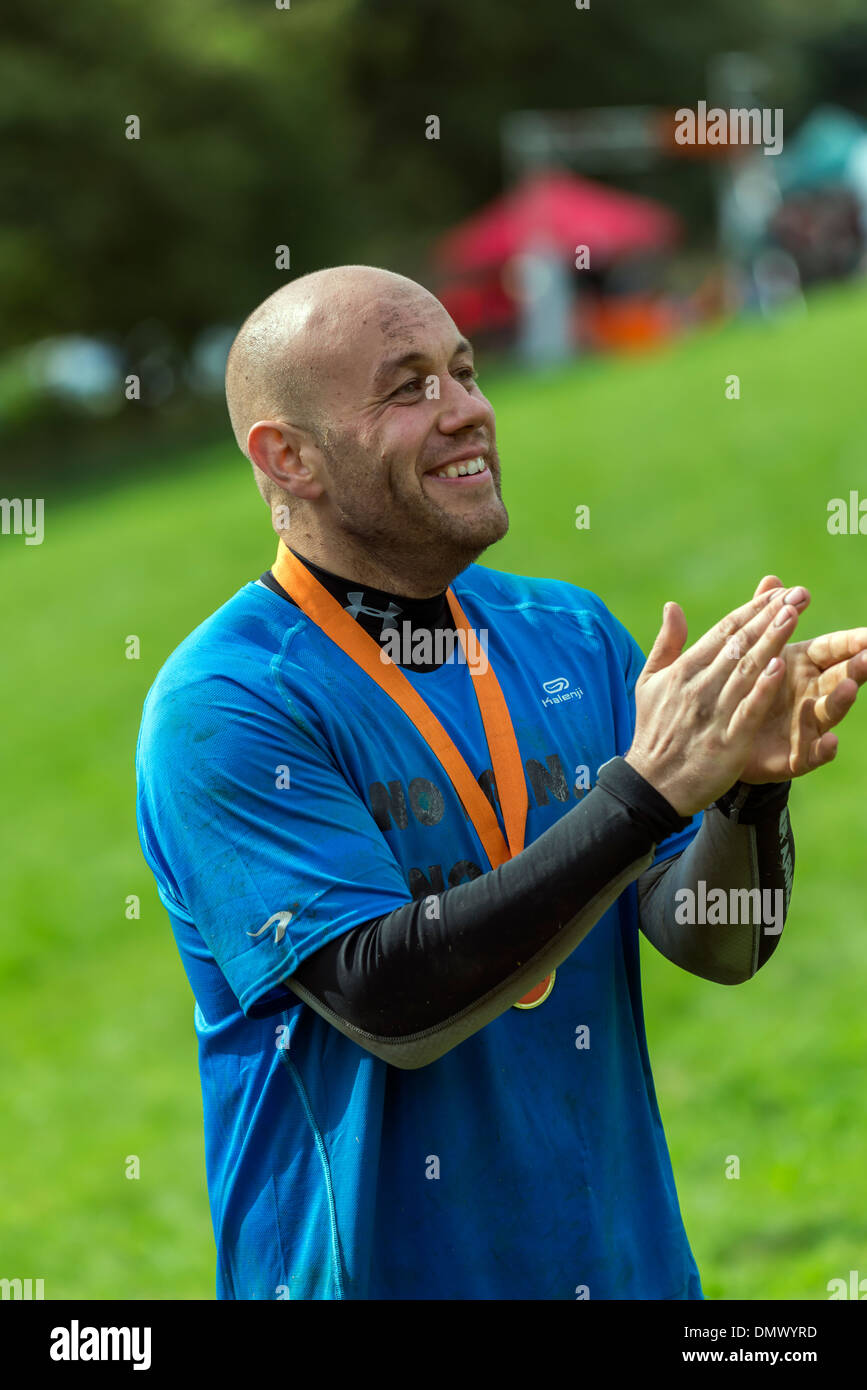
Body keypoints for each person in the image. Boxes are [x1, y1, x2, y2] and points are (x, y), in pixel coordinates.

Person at [135, 265, 865, 1300]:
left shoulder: (566, 634)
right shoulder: (228, 705)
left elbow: (719, 941)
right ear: (286, 455)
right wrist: (646, 793)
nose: (467, 410)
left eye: (465, 371)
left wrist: (744, 793)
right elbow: (391, 1003)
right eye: (408, 388)